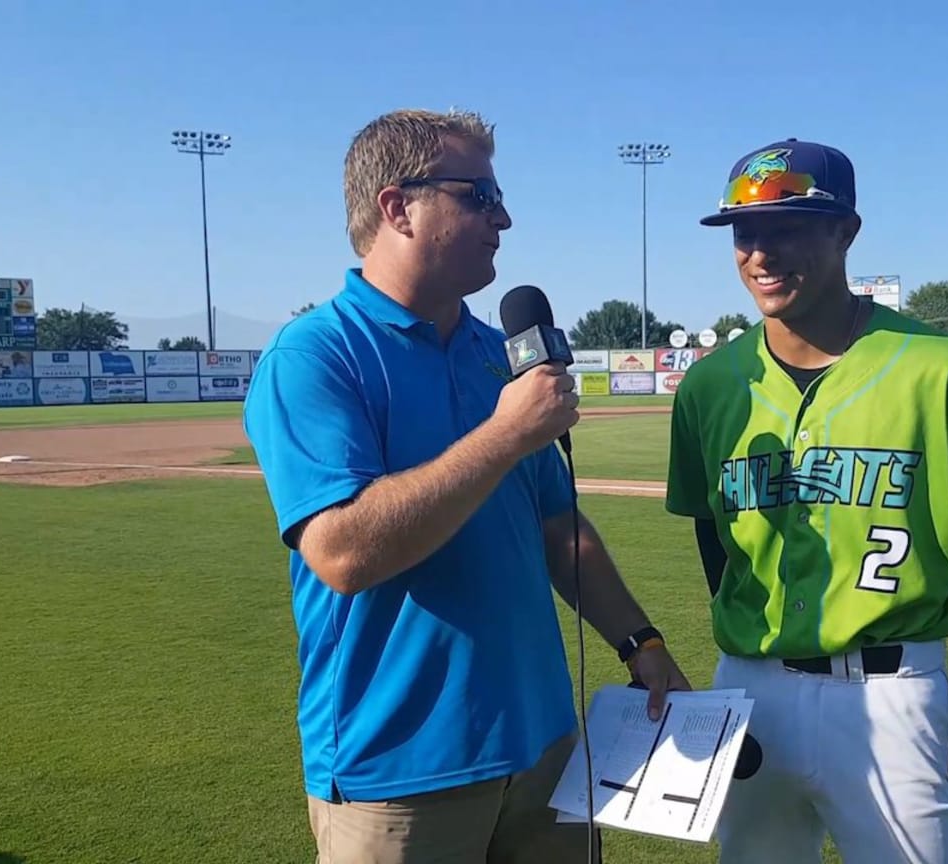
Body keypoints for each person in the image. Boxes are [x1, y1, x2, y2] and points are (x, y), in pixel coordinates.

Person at [243, 108, 692, 864]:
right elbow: (343, 552)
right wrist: (505, 433)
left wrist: (639, 640)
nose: (504, 218)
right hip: (400, 768)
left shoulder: (501, 354)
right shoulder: (314, 355)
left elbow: (558, 526)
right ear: (398, 207)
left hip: (544, 744)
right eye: (478, 196)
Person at [664, 138, 948, 863]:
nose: (760, 253)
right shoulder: (709, 385)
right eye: (746, 233)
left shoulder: (944, 369)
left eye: (787, 228)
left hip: (893, 693)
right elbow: (712, 533)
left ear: (845, 230)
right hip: (748, 693)